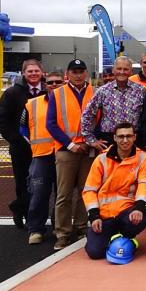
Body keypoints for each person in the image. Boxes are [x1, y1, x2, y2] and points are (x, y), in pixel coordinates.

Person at [82, 122, 146, 259]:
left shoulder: (143, 158)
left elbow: (144, 184)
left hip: (127, 211)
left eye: (129, 136)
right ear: (114, 138)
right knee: (94, 252)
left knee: (138, 220)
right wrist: (94, 216)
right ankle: (112, 237)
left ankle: (127, 239)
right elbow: (89, 190)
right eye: (121, 136)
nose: (125, 140)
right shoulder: (101, 159)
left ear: (134, 137)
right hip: (104, 214)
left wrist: (139, 207)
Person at [46, 59, 96, 250]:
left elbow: (100, 120)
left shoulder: (95, 92)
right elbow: (51, 124)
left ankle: (81, 227)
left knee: (86, 191)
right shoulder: (58, 93)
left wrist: (91, 141)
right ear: (68, 74)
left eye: (81, 71)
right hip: (66, 150)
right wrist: (70, 144)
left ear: (86, 73)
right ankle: (62, 233)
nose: (78, 75)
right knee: (64, 194)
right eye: (74, 71)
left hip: (88, 149)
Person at [0, 59, 45, 228]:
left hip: (44, 148)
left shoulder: (49, 91)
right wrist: (16, 140)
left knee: (41, 184)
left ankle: (32, 214)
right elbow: (1, 119)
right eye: (30, 71)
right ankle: (23, 211)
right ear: (23, 73)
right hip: (21, 148)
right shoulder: (12, 93)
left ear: (42, 72)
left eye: (36, 71)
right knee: (23, 184)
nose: (33, 74)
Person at [21, 72, 64, 244]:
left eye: (58, 82)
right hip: (41, 155)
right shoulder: (32, 104)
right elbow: (23, 128)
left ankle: (59, 228)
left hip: (64, 154)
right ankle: (35, 229)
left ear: (64, 83)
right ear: (45, 85)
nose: (54, 85)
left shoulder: (69, 103)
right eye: (50, 82)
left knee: (62, 195)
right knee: (38, 193)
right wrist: (32, 144)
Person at [81, 56, 146, 153]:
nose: (122, 72)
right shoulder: (103, 91)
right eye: (119, 69)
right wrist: (91, 140)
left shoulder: (140, 90)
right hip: (109, 138)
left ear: (131, 71)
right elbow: (87, 114)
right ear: (113, 70)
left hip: (133, 138)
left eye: (126, 69)